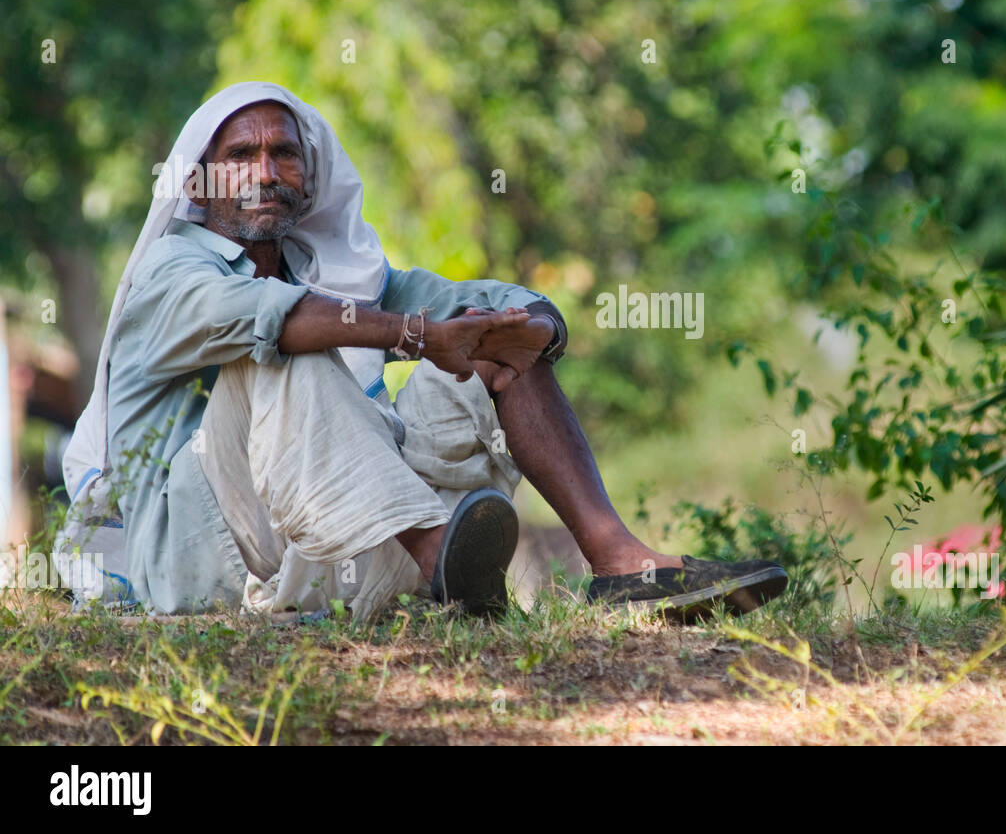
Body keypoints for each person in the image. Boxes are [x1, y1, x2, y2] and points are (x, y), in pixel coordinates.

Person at [58, 82, 788, 623]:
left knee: (492, 342)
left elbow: (455, 302)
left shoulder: (328, 269)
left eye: (283, 153)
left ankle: (617, 561)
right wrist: (415, 338)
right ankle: (446, 558)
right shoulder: (170, 274)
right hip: (202, 562)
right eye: (241, 155)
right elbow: (274, 318)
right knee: (286, 341)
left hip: (338, 551)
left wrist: (532, 325)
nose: (266, 170)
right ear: (199, 181)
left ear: (306, 177)